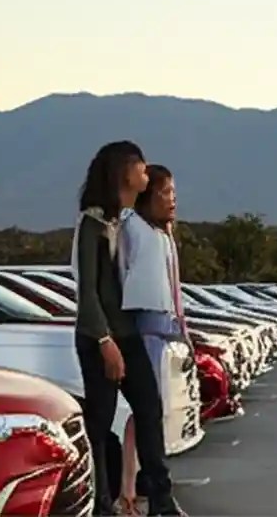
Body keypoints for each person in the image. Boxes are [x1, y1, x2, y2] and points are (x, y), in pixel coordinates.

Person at [71, 141, 181, 517]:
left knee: (149, 409)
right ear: (123, 171)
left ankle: (161, 501)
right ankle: (101, 504)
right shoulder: (94, 223)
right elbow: (87, 293)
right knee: (99, 423)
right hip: (98, 338)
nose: (147, 172)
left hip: (127, 335)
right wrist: (105, 342)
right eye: (141, 166)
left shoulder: (126, 221)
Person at [115, 164, 189, 515]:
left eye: (173, 193)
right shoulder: (133, 226)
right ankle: (136, 487)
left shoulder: (164, 235)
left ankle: (138, 484)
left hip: (166, 327)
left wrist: (183, 332)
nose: (172, 200)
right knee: (145, 411)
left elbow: (174, 291)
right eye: (164, 193)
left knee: (153, 412)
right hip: (144, 326)